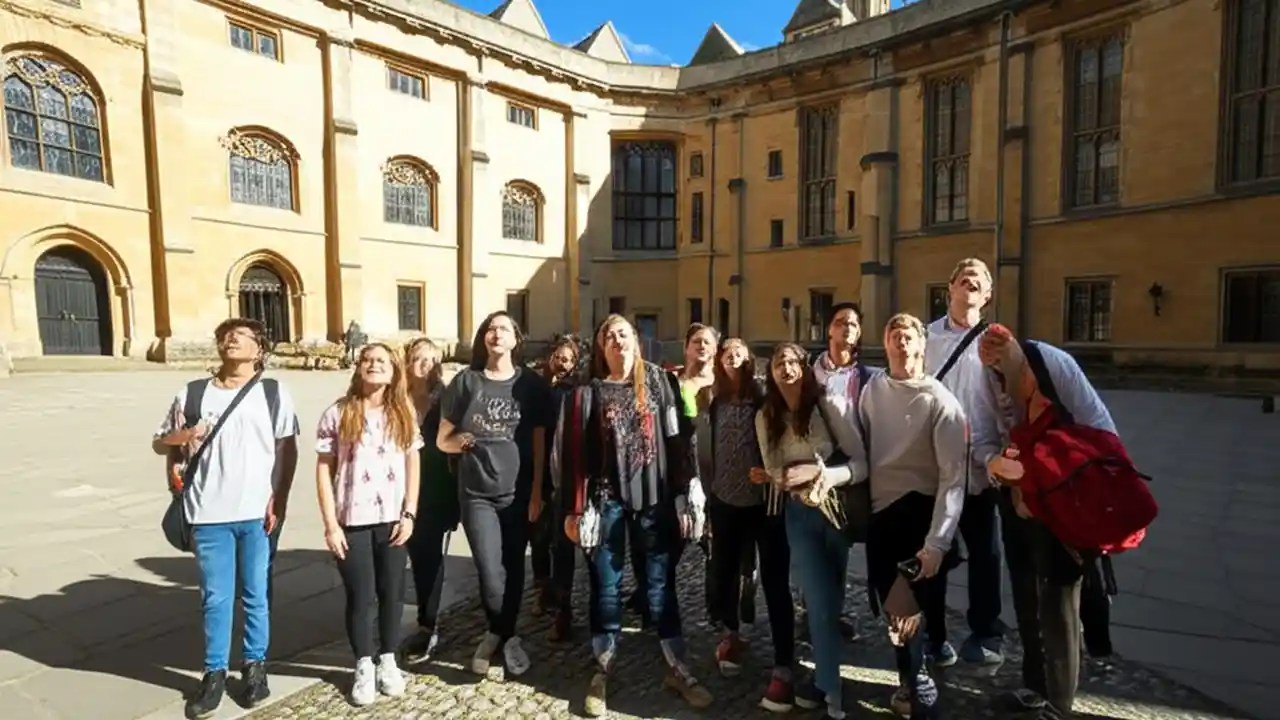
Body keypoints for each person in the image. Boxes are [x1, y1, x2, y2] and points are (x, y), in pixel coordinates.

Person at [555, 314, 713, 717]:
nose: (616, 340)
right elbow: (571, 453)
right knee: (605, 587)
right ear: (601, 348)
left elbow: (679, 441)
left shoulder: (661, 383)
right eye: (608, 336)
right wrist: (575, 508)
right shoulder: (588, 393)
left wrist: (686, 492)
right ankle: (602, 669)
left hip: (655, 501)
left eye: (623, 333)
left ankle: (677, 667)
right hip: (606, 500)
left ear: (636, 342)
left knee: (660, 586)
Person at [152, 318, 299, 719]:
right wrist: (181, 440)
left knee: (255, 595)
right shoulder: (193, 392)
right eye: (225, 336)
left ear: (259, 349)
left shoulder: (272, 392)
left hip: (256, 512)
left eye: (242, 336)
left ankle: (254, 666)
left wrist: (279, 498)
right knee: (215, 598)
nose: (231, 339)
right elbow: (160, 441)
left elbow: (287, 448)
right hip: (208, 512)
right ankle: (214, 672)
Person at [979, 325, 1118, 717]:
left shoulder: (1053, 364)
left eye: (1004, 367)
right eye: (991, 369)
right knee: (1025, 597)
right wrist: (994, 465)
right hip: (1016, 500)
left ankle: (1058, 706)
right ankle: (1034, 688)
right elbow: (984, 437)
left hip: (1062, 502)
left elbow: (1102, 430)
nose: (1000, 381)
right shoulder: (984, 377)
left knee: (1058, 607)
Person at [856, 314, 968, 719]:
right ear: (885, 344)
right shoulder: (872, 392)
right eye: (894, 336)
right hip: (883, 515)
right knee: (892, 605)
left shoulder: (941, 401)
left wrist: (937, 542)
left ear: (922, 345)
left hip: (921, 515)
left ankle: (916, 680)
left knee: (913, 607)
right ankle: (916, 671)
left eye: (909, 336)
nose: (901, 343)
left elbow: (953, 478)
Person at [438, 311, 552, 678]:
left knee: (514, 567)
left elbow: (540, 441)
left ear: (516, 339)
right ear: (483, 339)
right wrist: (460, 442)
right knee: (490, 571)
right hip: (476, 493)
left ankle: (503, 635)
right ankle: (502, 633)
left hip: (518, 493)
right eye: (490, 329)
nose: (496, 334)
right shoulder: (466, 382)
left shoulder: (530, 385)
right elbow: (443, 439)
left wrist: (537, 492)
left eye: (503, 328)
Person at [752, 342, 856, 720]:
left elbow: (855, 455)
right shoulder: (766, 416)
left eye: (792, 360)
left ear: (804, 366)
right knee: (818, 600)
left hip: (836, 509)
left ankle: (826, 677)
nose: (785, 367)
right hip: (799, 513)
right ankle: (831, 689)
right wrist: (789, 474)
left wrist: (817, 471)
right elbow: (771, 468)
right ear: (772, 372)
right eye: (778, 362)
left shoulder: (826, 404)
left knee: (834, 596)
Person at [315, 342, 422, 706]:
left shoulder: (402, 411)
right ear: (358, 368)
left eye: (382, 361)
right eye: (368, 360)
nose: (374, 365)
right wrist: (331, 524)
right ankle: (363, 662)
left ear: (394, 372)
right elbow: (323, 467)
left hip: (392, 519)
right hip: (353, 520)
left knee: (392, 593)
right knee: (361, 596)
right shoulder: (339, 412)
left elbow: (413, 463)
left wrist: (410, 512)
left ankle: (388, 658)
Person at [923, 258, 1006, 668]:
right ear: (950, 288)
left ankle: (986, 629)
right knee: (934, 549)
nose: (971, 283)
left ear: (987, 296)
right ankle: (934, 635)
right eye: (964, 278)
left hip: (982, 464)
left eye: (980, 281)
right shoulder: (926, 337)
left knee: (986, 553)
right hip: (936, 465)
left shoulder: (997, 341)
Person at [709, 337, 796, 712]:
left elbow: (782, 443)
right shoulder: (716, 402)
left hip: (766, 506)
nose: (732, 354)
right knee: (725, 572)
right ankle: (732, 634)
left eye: (739, 350)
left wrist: (773, 472)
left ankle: (784, 664)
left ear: (749, 359)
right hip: (726, 503)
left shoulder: (763, 398)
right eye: (725, 350)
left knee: (776, 583)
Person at [808, 301, 868, 643]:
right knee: (812, 542)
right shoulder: (809, 373)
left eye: (854, 325)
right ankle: (813, 609)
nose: (847, 329)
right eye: (841, 322)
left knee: (839, 543)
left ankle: (835, 609)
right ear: (829, 329)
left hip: (849, 470)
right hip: (812, 465)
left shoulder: (868, 378)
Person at [399, 338, 458, 664]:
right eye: (419, 358)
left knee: (429, 559)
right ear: (407, 362)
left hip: (436, 491)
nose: (426, 365)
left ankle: (427, 623)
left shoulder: (446, 399)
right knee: (405, 558)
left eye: (433, 360)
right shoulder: (395, 399)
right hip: (397, 493)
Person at [536, 335, 583, 641]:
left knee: (562, 543)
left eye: (569, 360)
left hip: (565, 475)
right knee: (543, 539)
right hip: (541, 473)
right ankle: (547, 591)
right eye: (559, 358)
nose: (563, 364)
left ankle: (563, 607)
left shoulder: (572, 392)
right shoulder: (539, 390)